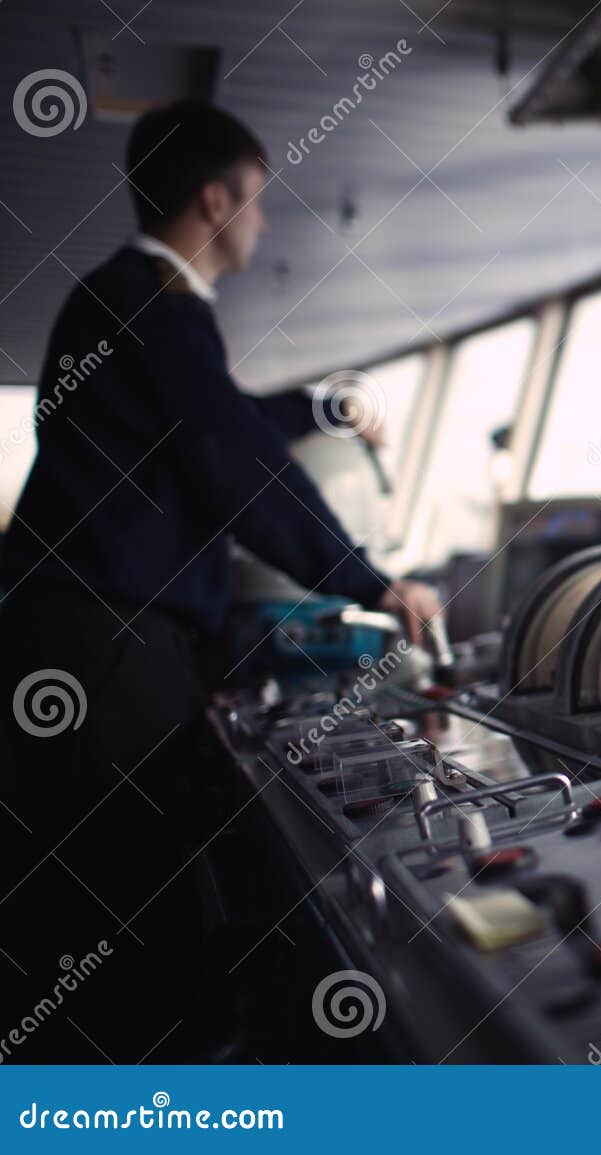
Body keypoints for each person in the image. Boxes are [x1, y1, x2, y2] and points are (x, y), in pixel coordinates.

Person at [0, 100, 440, 1061]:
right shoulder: (159, 305)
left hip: (77, 633)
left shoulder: (123, 300)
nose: (264, 222)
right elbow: (231, 461)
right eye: (259, 201)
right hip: (108, 646)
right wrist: (374, 581)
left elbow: (221, 420)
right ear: (215, 198)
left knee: (81, 887)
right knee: (112, 899)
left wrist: (328, 403)